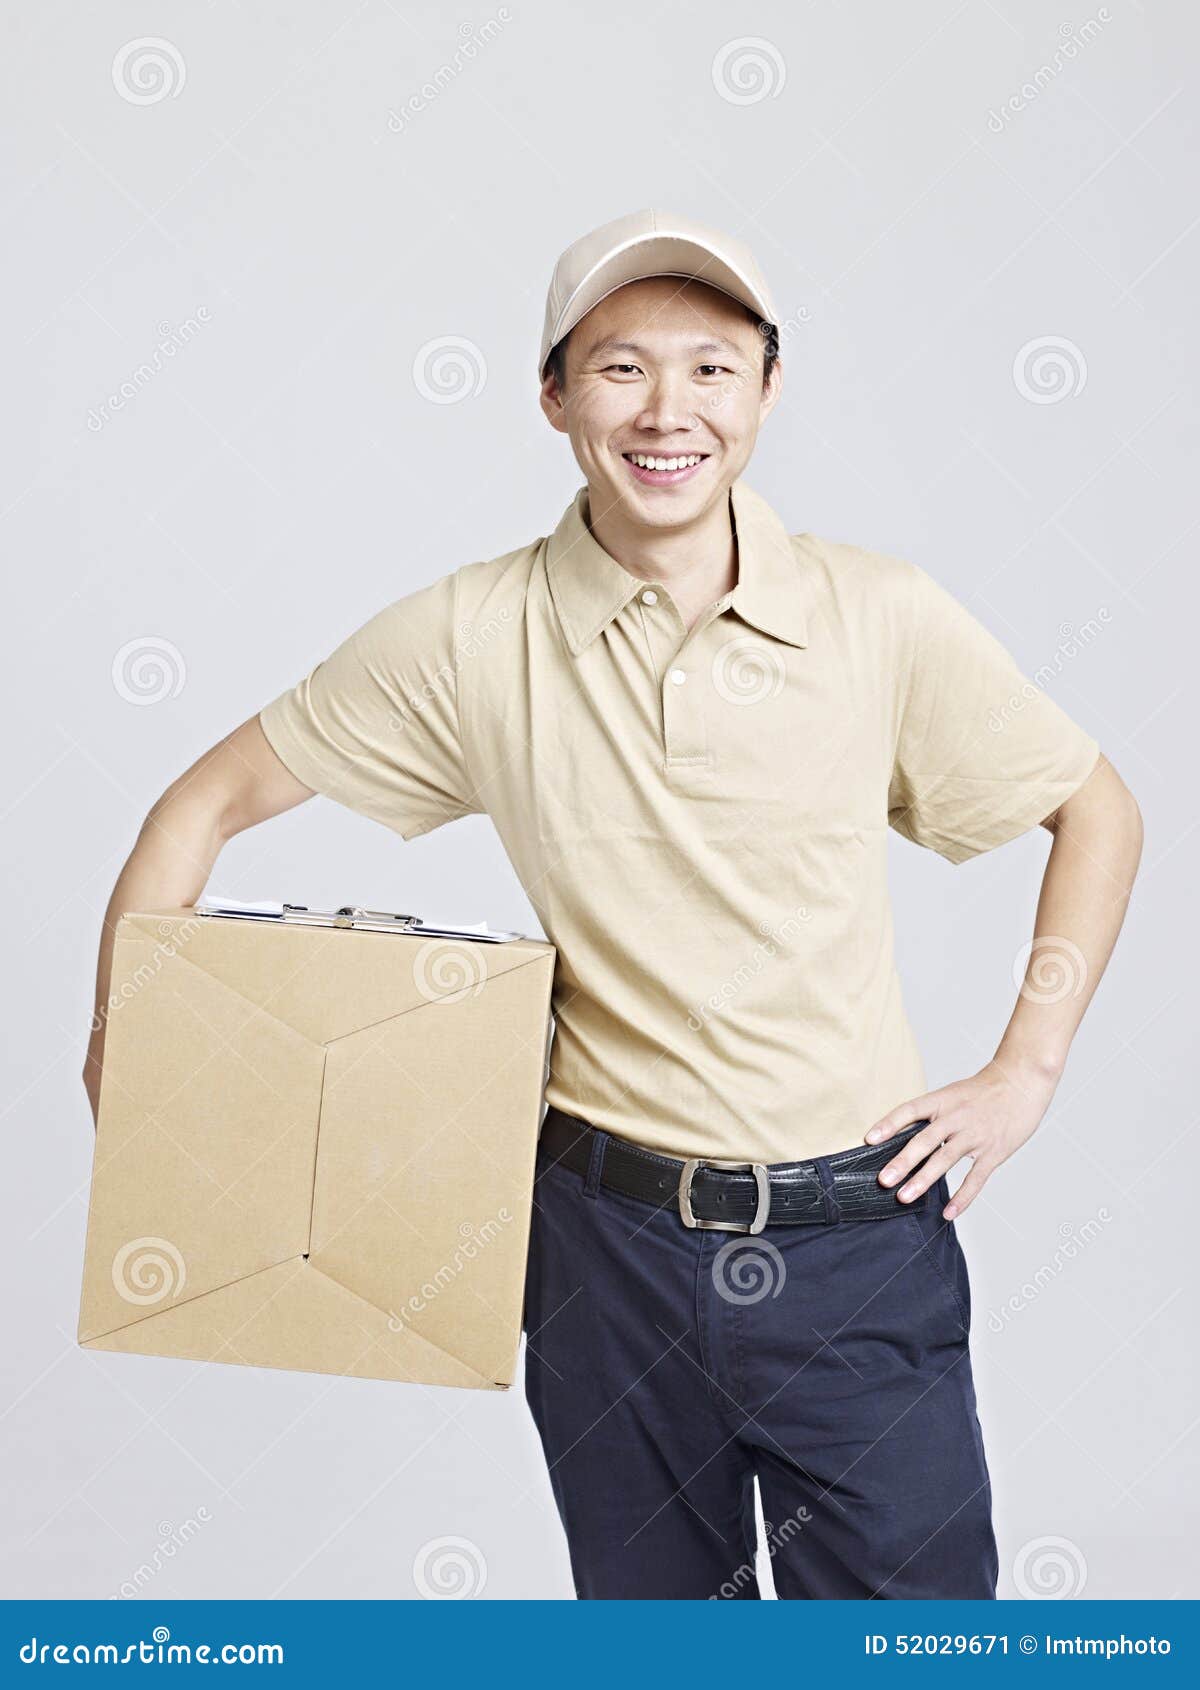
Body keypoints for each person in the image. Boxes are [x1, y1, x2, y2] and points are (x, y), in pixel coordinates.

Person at [82, 208, 1143, 1600]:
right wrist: (135, 1042)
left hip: (854, 1243)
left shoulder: (876, 616)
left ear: (768, 390)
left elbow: (1095, 805)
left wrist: (1028, 1068)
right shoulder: (475, 635)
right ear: (554, 395)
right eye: (621, 366)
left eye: (712, 368)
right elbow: (203, 801)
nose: (668, 411)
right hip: (602, 1254)